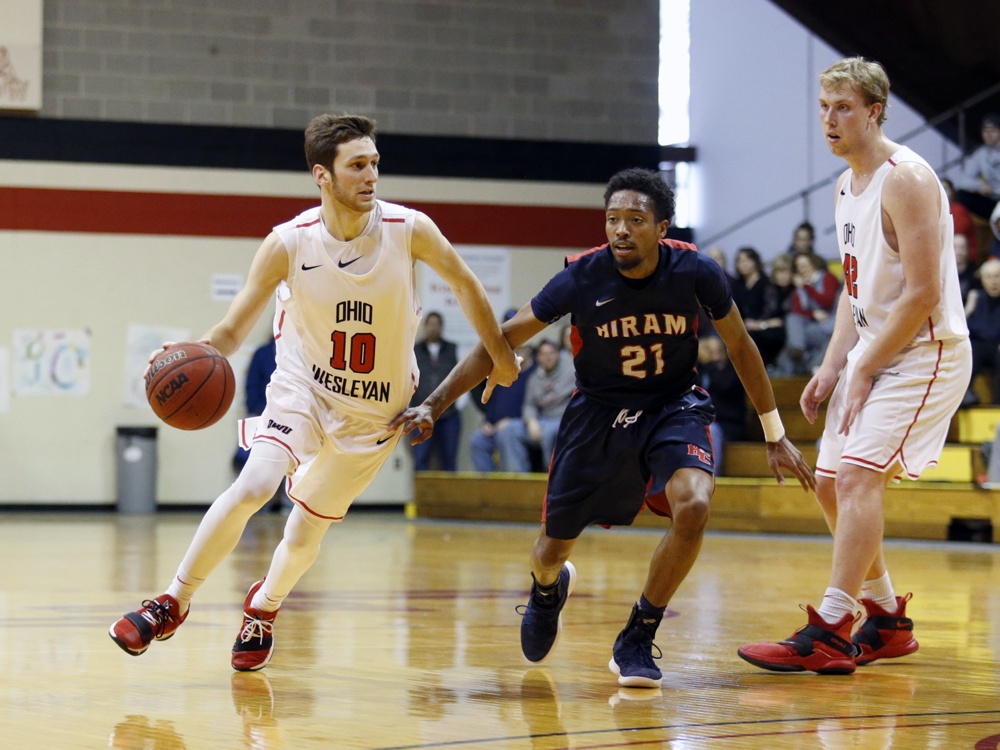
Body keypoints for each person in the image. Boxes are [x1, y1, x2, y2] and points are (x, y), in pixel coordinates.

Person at [108, 113, 520, 672]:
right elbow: (230, 333)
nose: (371, 175)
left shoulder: (409, 229)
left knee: (304, 533)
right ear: (322, 176)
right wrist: (187, 353)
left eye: (375, 162)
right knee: (254, 484)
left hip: (375, 414)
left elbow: (466, 284)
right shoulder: (288, 243)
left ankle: (264, 607)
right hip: (303, 386)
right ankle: (172, 602)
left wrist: (501, 356)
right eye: (357, 165)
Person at [391, 166, 814, 688]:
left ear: (662, 228)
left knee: (696, 504)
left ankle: (638, 633)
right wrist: (433, 404)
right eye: (612, 219)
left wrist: (775, 433)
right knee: (550, 553)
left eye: (635, 220)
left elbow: (740, 346)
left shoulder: (696, 271)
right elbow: (501, 338)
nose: (620, 230)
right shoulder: (581, 276)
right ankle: (547, 591)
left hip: (672, 405)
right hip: (596, 415)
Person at [738, 57, 971, 674]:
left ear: (874, 112)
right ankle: (888, 620)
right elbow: (854, 288)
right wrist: (831, 363)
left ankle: (834, 627)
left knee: (861, 477)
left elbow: (923, 293)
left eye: (843, 107)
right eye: (823, 107)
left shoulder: (909, 179)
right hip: (876, 352)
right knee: (831, 483)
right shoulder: (845, 186)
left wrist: (863, 367)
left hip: (926, 353)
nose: (830, 120)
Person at [495, 339, 576, 473]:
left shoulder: (572, 372)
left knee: (550, 433)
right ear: (538, 357)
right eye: (543, 354)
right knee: (509, 430)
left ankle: (552, 478)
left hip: (563, 421)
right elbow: (529, 405)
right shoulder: (534, 378)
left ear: (558, 354)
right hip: (541, 421)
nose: (548, 357)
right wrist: (531, 421)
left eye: (551, 353)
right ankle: (518, 479)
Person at [469, 341, 536, 472]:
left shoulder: (535, 373)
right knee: (477, 440)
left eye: (522, 347)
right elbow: (494, 402)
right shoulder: (504, 371)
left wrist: (512, 422)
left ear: (529, 349)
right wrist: (487, 421)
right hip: (496, 426)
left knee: (508, 432)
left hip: (522, 425)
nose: (518, 350)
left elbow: (533, 406)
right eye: (515, 348)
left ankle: (516, 486)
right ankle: (488, 487)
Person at [411, 311, 461, 471]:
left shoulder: (451, 349)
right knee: (420, 458)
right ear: (425, 327)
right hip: (421, 413)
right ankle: (421, 496)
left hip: (448, 414)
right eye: (430, 324)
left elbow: (460, 376)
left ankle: (450, 495)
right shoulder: (415, 350)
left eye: (436, 324)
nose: (433, 328)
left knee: (449, 459)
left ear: (441, 327)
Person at [775, 252, 839, 375]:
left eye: (805, 265)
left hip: (829, 326)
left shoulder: (827, 278)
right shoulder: (801, 286)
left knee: (789, 345)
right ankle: (798, 351)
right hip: (810, 326)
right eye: (799, 267)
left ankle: (797, 357)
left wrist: (807, 287)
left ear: (814, 264)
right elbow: (797, 311)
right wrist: (813, 314)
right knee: (792, 318)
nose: (802, 269)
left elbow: (827, 302)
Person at [697, 335, 748, 474]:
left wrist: (709, 363)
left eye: (714, 350)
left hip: (728, 424)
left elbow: (723, 386)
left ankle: (711, 476)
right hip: (702, 422)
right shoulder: (700, 371)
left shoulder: (734, 371)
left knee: (711, 430)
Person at [731, 246, 785, 368]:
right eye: (740, 261)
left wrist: (757, 323)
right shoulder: (737, 285)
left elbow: (772, 309)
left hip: (764, 326)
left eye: (747, 260)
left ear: (755, 261)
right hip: (743, 326)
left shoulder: (766, 282)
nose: (743, 264)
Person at [962, 258, 1000, 406]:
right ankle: (965, 397)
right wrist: (968, 309)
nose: (993, 281)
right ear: (982, 280)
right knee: (967, 354)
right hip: (978, 346)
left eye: (997, 276)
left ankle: (998, 406)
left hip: (997, 346)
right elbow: (963, 328)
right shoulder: (976, 298)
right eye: (989, 277)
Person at [953, 113, 1000, 222]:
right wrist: (979, 186)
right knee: (961, 195)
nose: (988, 135)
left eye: (992, 131)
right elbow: (963, 180)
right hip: (992, 199)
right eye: (985, 131)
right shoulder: (980, 153)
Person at [942, 177, 978, 264]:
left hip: (964, 259)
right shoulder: (936, 210)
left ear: (952, 192)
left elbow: (958, 239)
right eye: (940, 189)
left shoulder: (958, 210)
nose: (942, 192)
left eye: (945, 189)